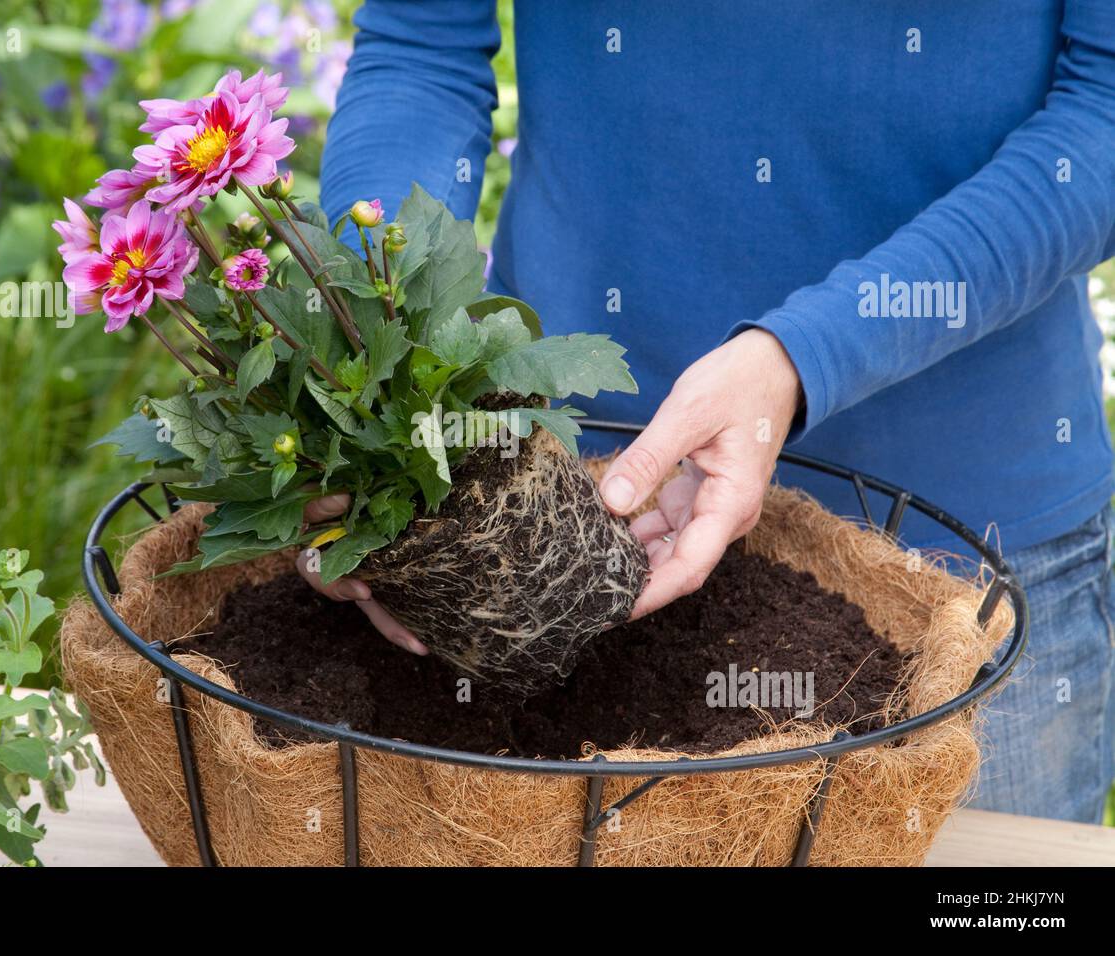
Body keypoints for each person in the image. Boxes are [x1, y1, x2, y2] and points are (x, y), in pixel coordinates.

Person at [302, 0, 1115, 824]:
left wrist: (807, 354)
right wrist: (380, 354)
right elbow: (421, 49)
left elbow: (1103, 116)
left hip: (962, 563)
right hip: (557, 543)